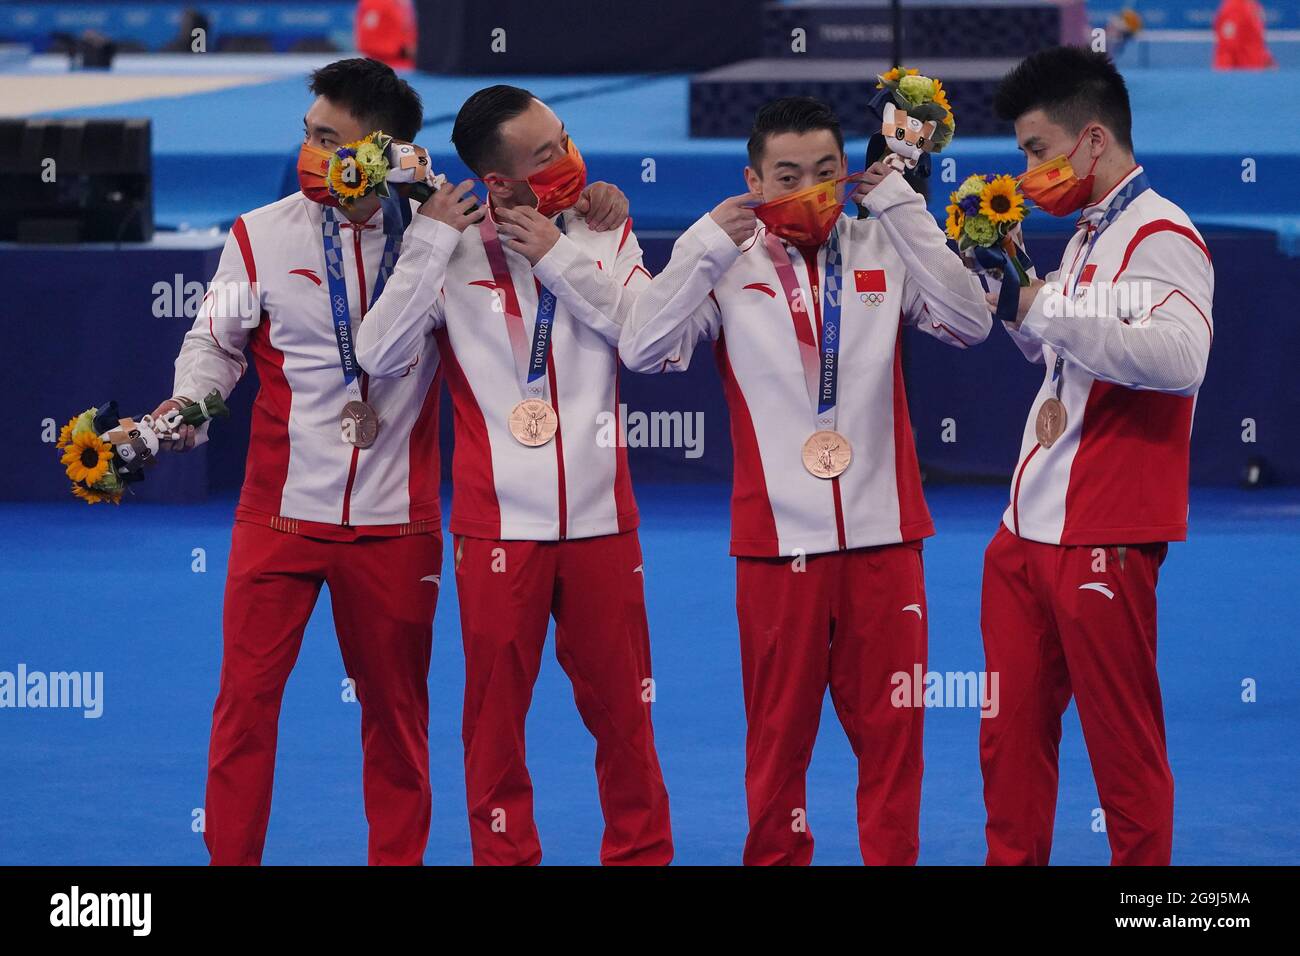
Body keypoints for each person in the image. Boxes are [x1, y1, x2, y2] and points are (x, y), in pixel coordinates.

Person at [619, 96, 991, 865]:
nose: (811, 187)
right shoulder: (728, 266)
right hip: (776, 544)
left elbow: (971, 322)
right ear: (752, 179)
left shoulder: (883, 247)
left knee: (895, 742)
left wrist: (901, 205)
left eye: (827, 171)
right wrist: (700, 244)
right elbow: (644, 349)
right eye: (787, 175)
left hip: (887, 541)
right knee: (778, 746)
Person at [155, 57, 483, 864]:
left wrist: (597, 204)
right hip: (275, 516)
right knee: (244, 708)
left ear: (380, 153)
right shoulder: (258, 235)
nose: (308, 150)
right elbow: (215, 345)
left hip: (395, 524)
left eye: (328, 139)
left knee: (397, 720)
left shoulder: (440, 245)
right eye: (307, 133)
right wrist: (185, 407)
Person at [354, 85, 672, 866]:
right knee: (494, 728)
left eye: (564, 140)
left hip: (602, 524)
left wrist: (559, 259)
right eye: (543, 156)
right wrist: (427, 243)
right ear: (496, 182)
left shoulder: (603, 231)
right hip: (499, 530)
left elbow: (644, 340)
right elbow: (377, 356)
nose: (567, 161)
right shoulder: (449, 252)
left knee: (626, 723)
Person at [981, 47, 1214, 865]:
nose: (1028, 169)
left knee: (1123, 751)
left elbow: (1181, 358)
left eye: (1035, 151)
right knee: (1009, 742)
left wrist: (1047, 307)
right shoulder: (1087, 235)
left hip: (1106, 524)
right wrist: (1013, 291)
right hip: (1026, 527)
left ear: (1089, 141)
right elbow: (1063, 358)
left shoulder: (1162, 232)